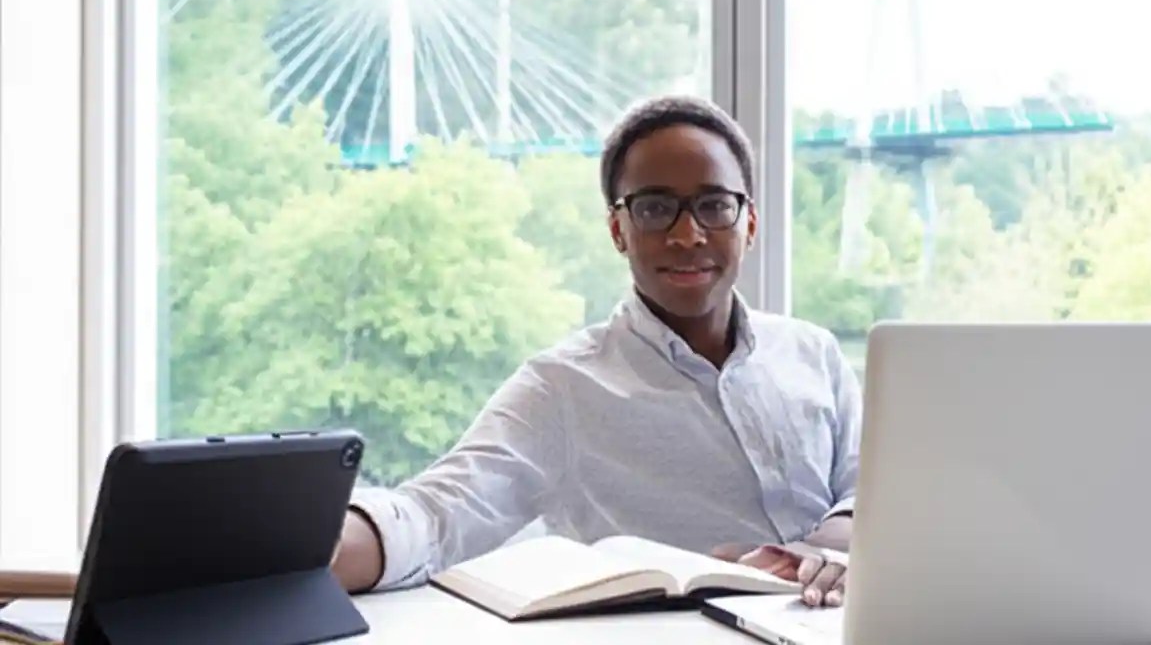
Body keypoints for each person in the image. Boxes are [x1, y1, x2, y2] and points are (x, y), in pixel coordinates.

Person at [331, 95, 862, 609]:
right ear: (618, 230)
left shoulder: (814, 353)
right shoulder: (561, 386)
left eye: (713, 206)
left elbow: (878, 490)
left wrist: (827, 547)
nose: (687, 233)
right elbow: (439, 514)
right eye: (654, 209)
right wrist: (299, 549)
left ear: (748, 222)